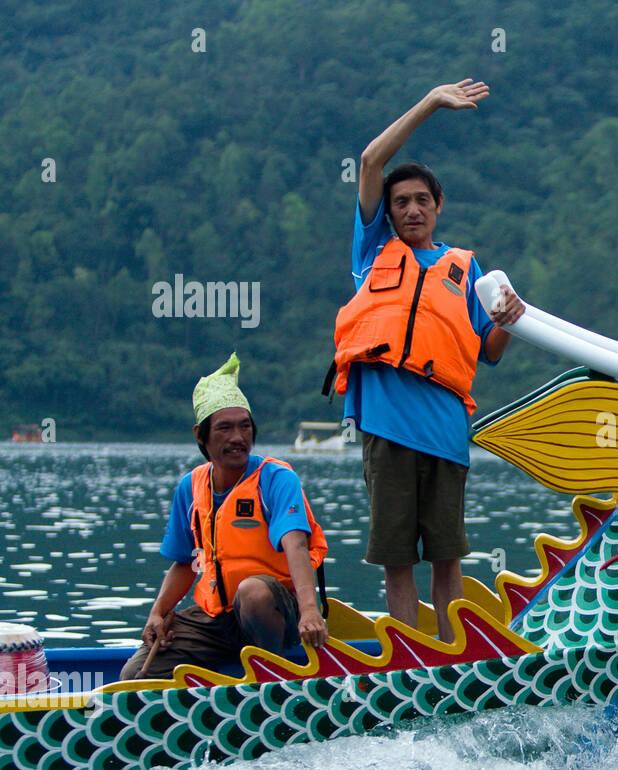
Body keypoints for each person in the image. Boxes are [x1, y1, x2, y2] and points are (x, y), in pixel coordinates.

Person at [325, 78, 524, 638]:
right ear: (387, 213)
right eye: (400, 202)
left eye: (421, 201)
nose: (411, 209)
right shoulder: (371, 254)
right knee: (396, 561)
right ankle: (408, 661)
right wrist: (432, 103)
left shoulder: (465, 269)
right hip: (387, 431)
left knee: (447, 558)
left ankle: (448, 651)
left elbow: (490, 351)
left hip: (445, 431)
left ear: (438, 208)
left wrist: (510, 320)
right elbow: (370, 159)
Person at [121, 354, 329, 681]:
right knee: (134, 675)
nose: (238, 437)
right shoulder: (190, 487)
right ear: (201, 436)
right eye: (225, 428)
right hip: (215, 619)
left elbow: (296, 546)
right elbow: (183, 562)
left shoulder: (276, 478)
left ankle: (270, 675)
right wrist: (157, 614)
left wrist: (310, 612)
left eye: (245, 426)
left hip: (274, 614)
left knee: (252, 593)